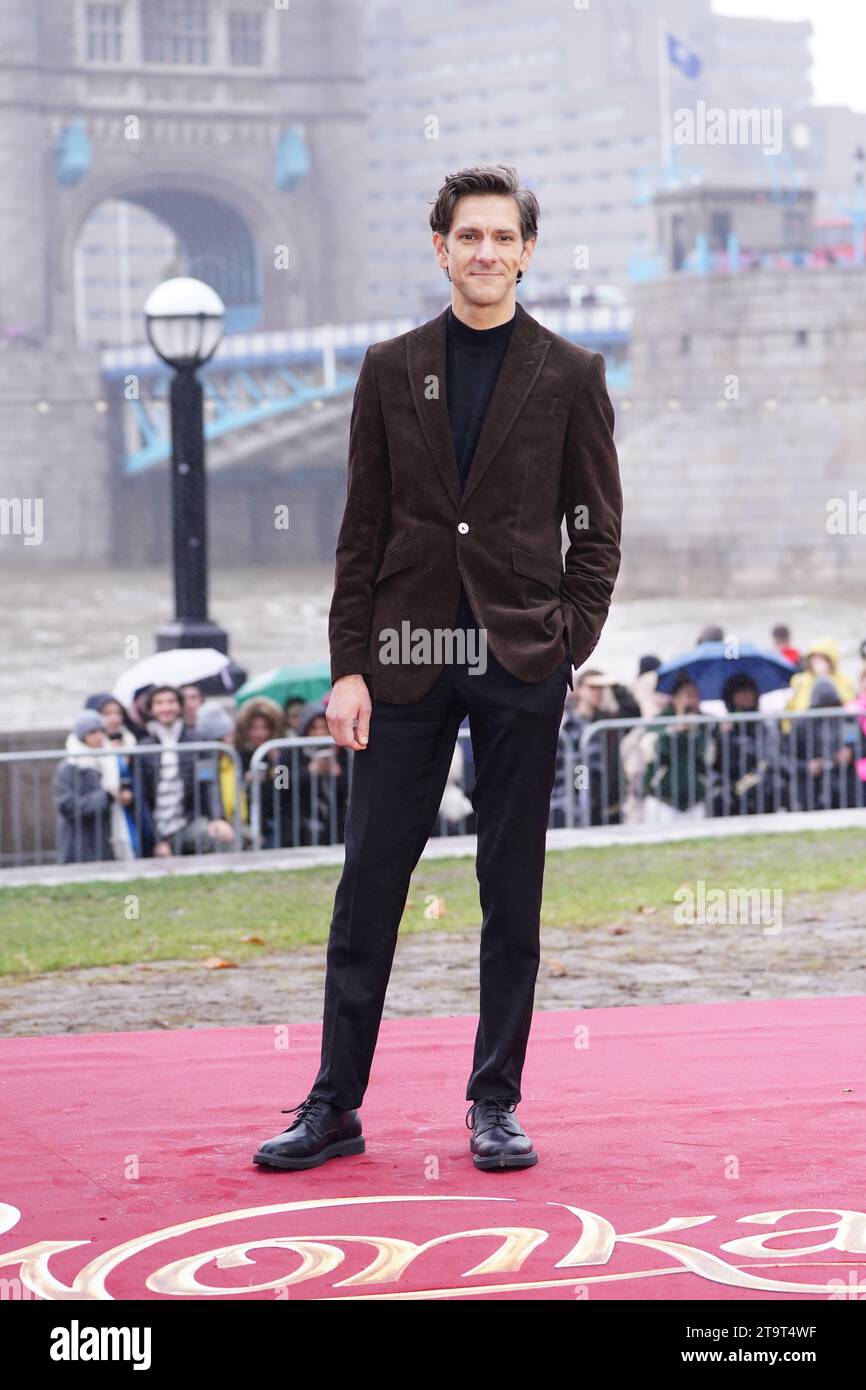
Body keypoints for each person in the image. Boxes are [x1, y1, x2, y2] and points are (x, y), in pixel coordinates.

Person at [253, 162, 622, 1173]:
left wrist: (565, 644)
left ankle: (494, 1102)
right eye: (469, 237)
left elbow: (594, 531)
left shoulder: (571, 373)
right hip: (403, 662)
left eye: (502, 237)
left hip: (517, 660)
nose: (485, 252)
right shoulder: (388, 368)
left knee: (511, 891)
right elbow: (360, 530)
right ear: (440, 249)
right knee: (368, 886)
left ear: (526, 251)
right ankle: (333, 1105)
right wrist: (347, 667)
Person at [134, 685, 235, 856]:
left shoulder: (198, 742)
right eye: (159, 703)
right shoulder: (142, 748)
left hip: (188, 821)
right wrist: (157, 840)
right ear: (151, 709)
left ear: (180, 706)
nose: (166, 707)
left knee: (223, 837)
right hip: (157, 829)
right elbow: (141, 799)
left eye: (171, 702)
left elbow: (209, 782)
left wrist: (217, 818)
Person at [52, 711, 130, 863]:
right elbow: (67, 805)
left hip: (106, 836)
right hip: (79, 840)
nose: (99, 736)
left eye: (102, 731)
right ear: (82, 736)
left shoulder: (110, 760)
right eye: (93, 732)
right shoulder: (69, 766)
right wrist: (106, 797)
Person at [710, 672, 789, 817]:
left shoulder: (764, 724)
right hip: (732, 784)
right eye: (740, 692)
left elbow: (770, 755)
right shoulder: (723, 727)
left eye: (749, 691)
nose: (746, 696)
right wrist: (722, 736)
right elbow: (717, 762)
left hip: (761, 779)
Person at [84, 691, 149, 858]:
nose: (114, 719)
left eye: (119, 713)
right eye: (107, 713)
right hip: (102, 819)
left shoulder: (131, 741)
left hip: (130, 814)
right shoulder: (83, 752)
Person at [641, 673, 712, 822]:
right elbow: (653, 752)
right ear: (675, 699)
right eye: (688, 695)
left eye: (696, 696)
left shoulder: (705, 723)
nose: (692, 701)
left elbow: (707, 757)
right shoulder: (660, 721)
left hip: (694, 799)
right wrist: (674, 730)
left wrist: (695, 734)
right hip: (663, 800)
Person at [793, 677, 861, 812]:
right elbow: (787, 756)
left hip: (845, 783)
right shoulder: (803, 724)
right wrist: (807, 766)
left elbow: (857, 744)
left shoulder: (846, 720)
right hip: (813, 787)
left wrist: (850, 752)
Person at [235, 697, 287, 848]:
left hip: (276, 817)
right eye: (254, 728)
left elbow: (284, 787)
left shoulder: (280, 754)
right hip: (248, 817)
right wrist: (247, 781)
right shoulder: (240, 754)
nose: (259, 733)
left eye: (264, 728)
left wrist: (277, 763)